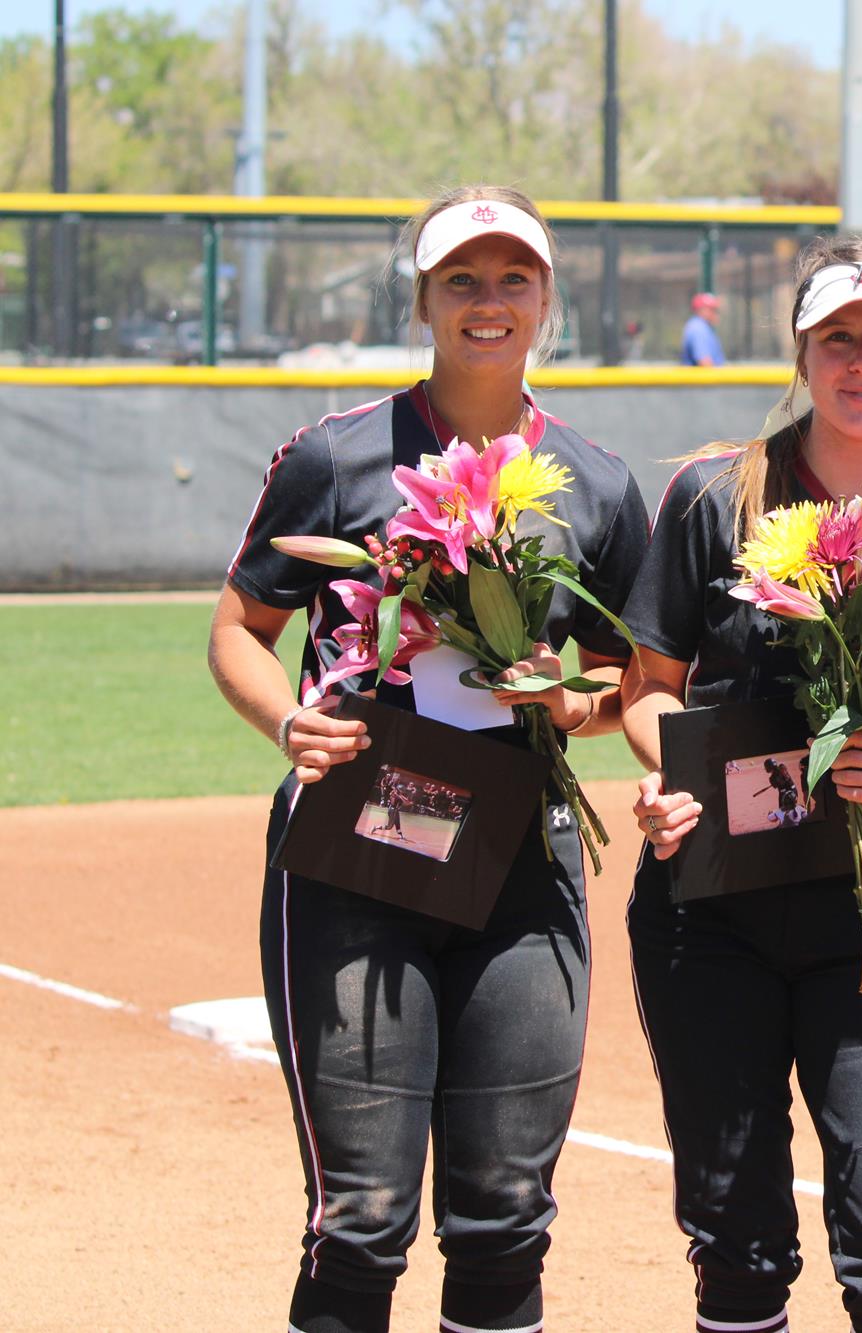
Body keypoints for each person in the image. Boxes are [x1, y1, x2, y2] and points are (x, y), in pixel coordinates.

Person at [208, 185, 651, 1333]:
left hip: (523, 853)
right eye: (461, 278)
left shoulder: (594, 483)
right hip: (363, 836)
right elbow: (239, 630)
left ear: (546, 300)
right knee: (361, 1215)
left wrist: (567, 699)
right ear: (422, 300)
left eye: (513, 278)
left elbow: (633, 678)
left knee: (505, 1215)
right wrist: (287, 722)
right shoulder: (338, 455)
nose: (487, 300)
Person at [619, 233, 862, 1333]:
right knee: (737, 1240)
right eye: (838, 337)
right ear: (801, 354)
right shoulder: (717, 495)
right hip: (710, 912)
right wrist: (671, 774)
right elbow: (646, 686)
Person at [682, 291, 725, 367]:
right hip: (704, 375)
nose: (716, 314)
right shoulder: (699, 328)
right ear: (702, 310)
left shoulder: (702, 326)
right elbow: (705, 363)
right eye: (714, 310)